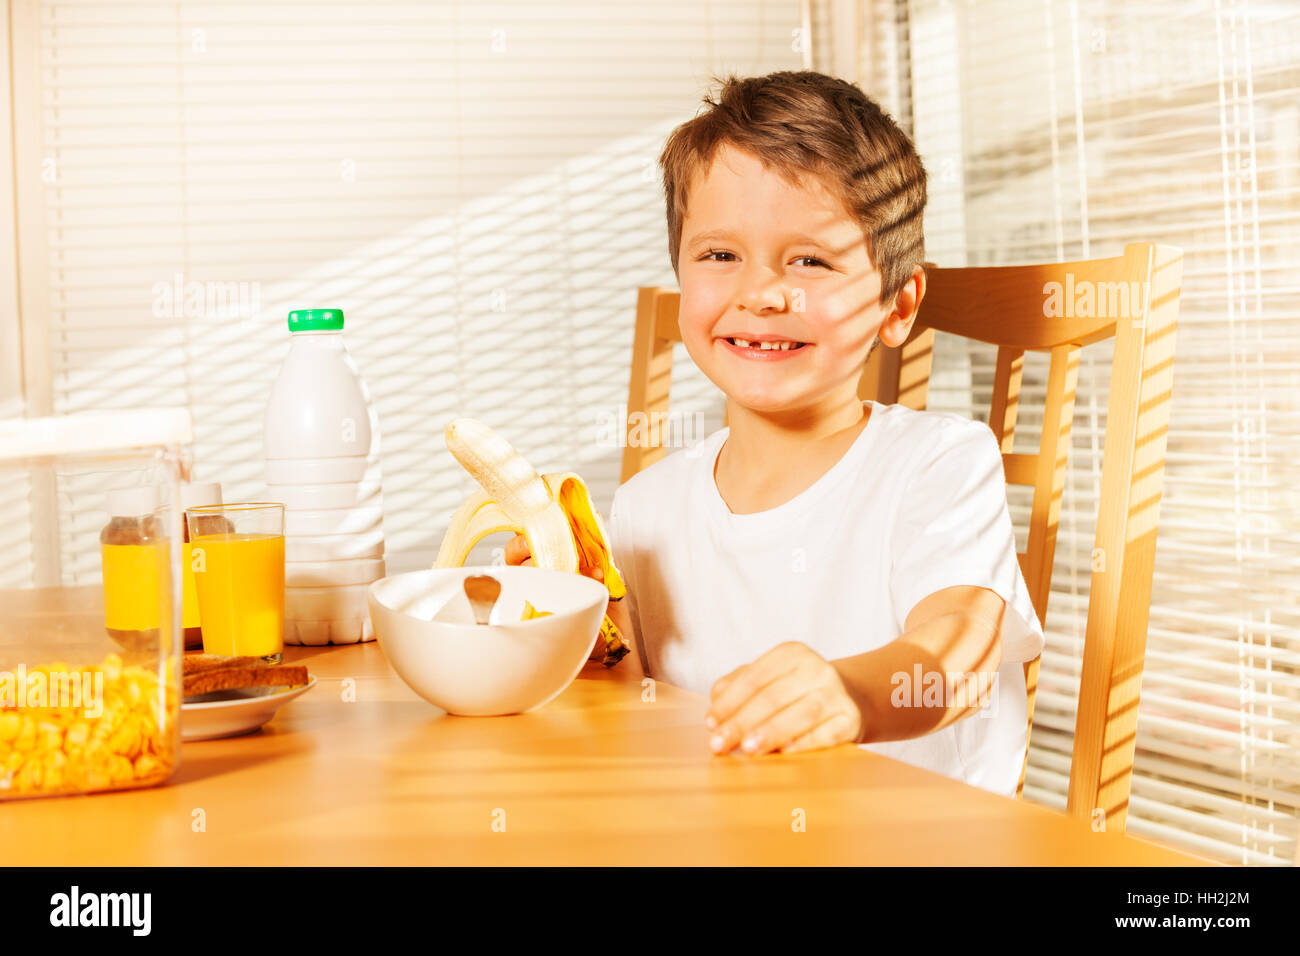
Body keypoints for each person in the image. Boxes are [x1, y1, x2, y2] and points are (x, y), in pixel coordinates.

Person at [509, 70, 1045, 797]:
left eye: (809, 260)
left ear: (896, 305)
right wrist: (571, 623)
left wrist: (849, 696)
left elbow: (960, 652)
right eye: (720, 255)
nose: (760, 294)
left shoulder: (938, 466)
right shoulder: (645, 508)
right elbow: (633, 716)